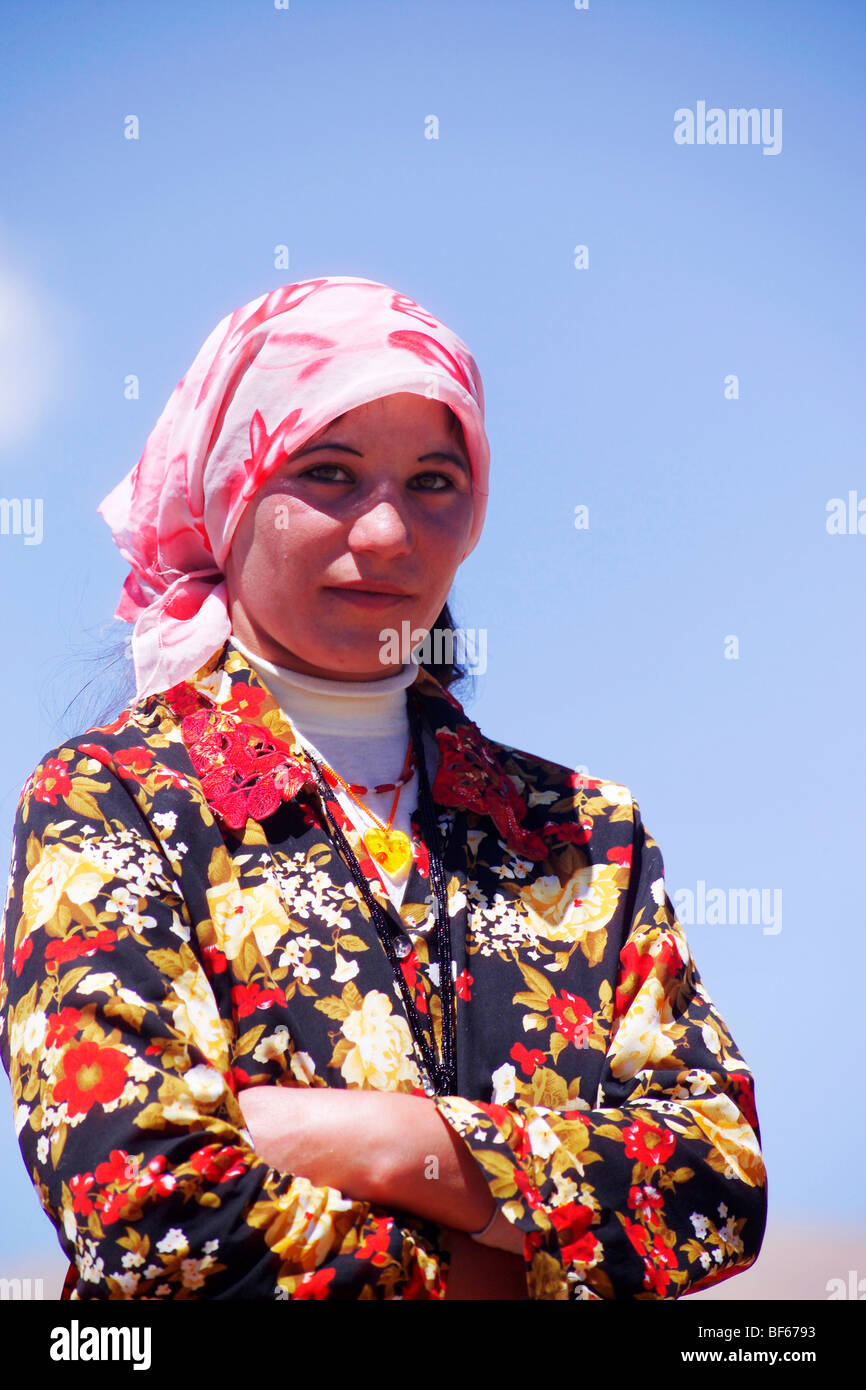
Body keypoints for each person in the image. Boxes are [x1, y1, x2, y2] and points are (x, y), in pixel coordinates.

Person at [0, 276, 767, 1300]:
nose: (387, 535)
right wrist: (509, 1258)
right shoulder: (114, 803)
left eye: (433, 483)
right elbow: (149, 1215)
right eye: (328, 473)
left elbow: (713, 1190)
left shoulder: (584, 839)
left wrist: (395, 1140)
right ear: (231, 492)